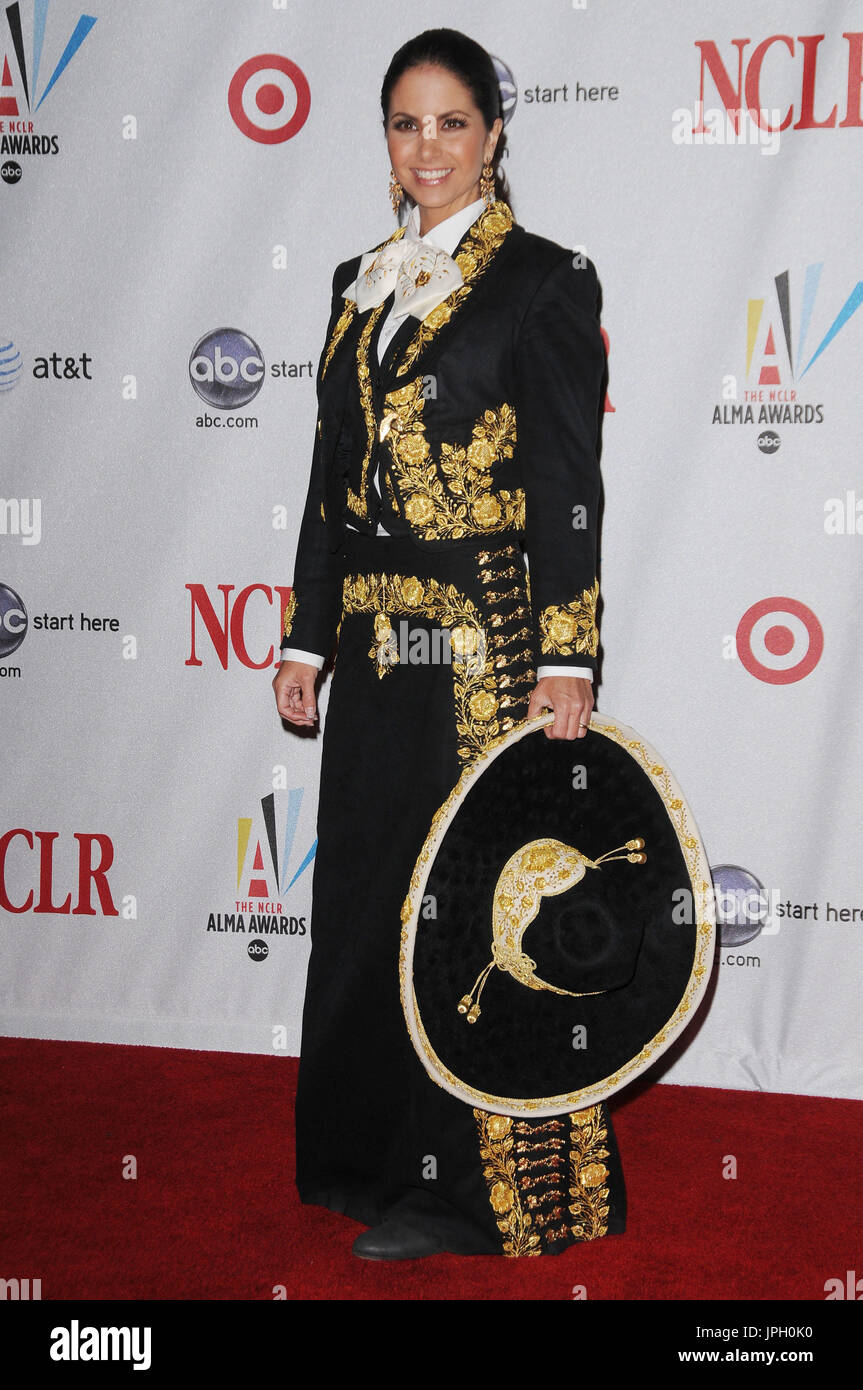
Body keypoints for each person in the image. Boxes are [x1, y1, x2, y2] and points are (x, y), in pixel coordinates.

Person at [272, 27, 626, 1259]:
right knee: (369, 896)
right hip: (372, 647)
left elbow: (566, 481)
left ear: (492, 134)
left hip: (480, 647)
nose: (427, 147)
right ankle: (369, 1156)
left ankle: (471, 1195)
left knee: (465, 910)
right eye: (404, 123)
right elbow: (328, 480)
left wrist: (566, 656)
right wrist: (305, 636)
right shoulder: (353, 282)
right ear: (385, 137)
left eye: (451, 124)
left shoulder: (541, 278)